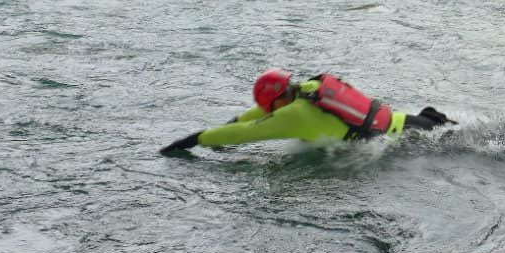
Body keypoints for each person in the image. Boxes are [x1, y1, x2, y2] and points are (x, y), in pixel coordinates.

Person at [160, 68, 453, 155]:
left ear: (278, 102)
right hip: (413, 121)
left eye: (268, 107)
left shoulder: (294, 116)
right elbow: (249, 118)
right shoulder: (310, 89)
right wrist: (224, 132)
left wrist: (194, 140)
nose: (264, 112)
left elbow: (246, 131)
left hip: (406, 143)